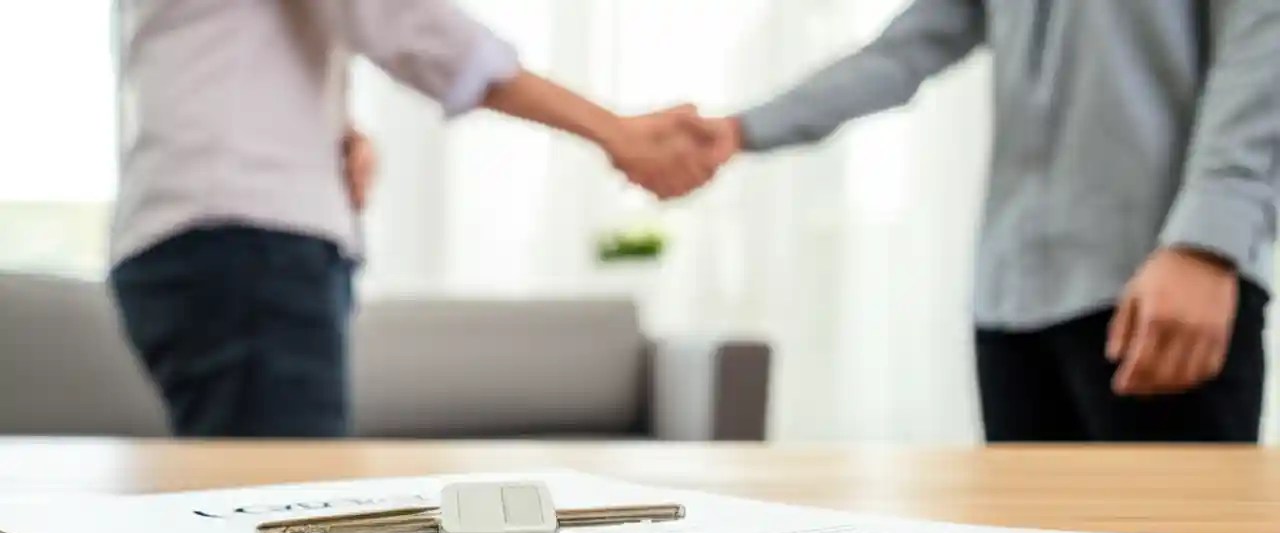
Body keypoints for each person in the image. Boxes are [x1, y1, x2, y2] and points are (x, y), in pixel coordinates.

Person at [108, 0, 715, 438]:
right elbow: (409, 23)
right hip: (244, 239)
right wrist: (616, 130)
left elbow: (207, 58)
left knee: (249, 516)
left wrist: (332, 136)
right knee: (275, 526)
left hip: (210, 232)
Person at [685, 0, 1280, 443]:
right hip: (1013, 303)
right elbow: (904, 50)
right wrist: (741, 131)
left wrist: (1207, 242)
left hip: (1162, 295)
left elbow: (1263, 49)